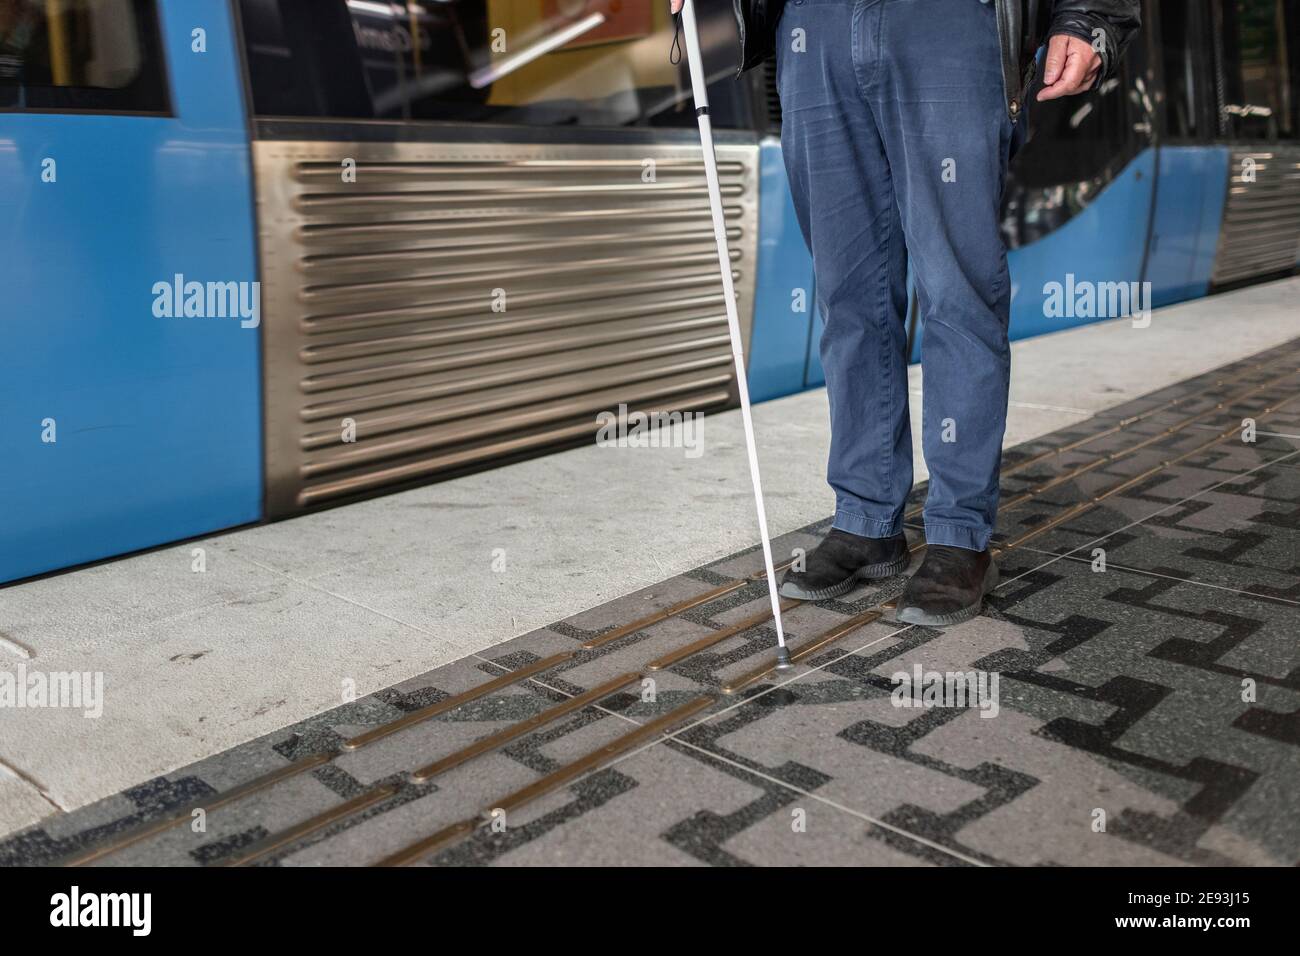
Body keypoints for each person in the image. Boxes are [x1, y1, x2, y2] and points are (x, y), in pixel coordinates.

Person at [671, 0, 1140, 625]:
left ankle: (958, 535)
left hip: (948, 24)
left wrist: (1088, 19)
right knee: (847, 298)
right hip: (816, 31)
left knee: (957, 291)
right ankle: (866, 520)